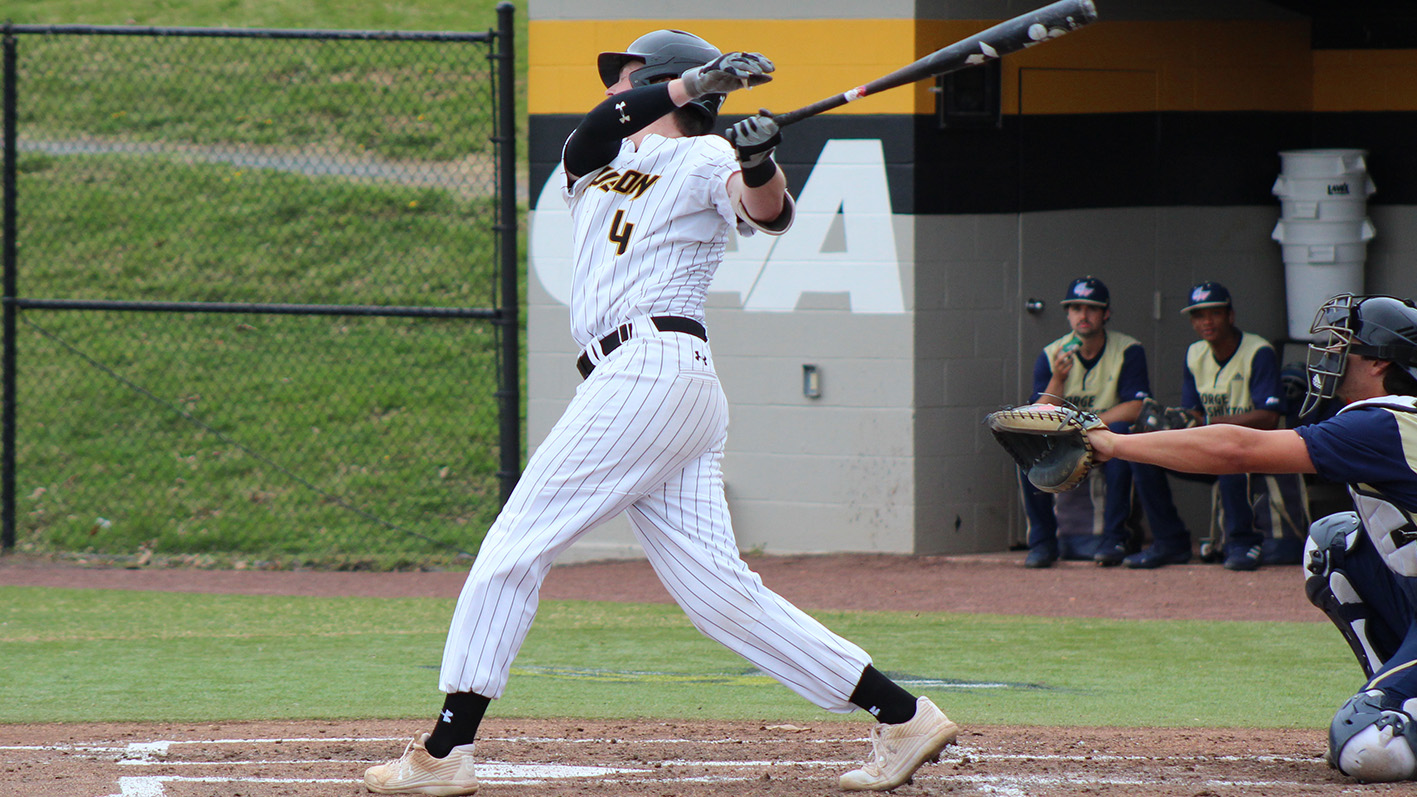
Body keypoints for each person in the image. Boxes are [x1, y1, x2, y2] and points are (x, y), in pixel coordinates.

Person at [362, 30, 958, 796]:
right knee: (719, 595)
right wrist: (692, 86)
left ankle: (444, 752)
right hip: (643, 383)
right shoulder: (597, 162)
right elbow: (594, 128)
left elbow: (769, 215)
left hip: (653, 366)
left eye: (633, 78)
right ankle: (903, 716)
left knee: (514, 546)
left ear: (673, 84)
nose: (618, 90)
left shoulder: (706, 159)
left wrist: (757, 158)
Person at [1091, 293, 1417, 782]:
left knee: (1368, 750)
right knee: (1333, 545)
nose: (1327, 354)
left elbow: (1237, 448)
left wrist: (1112, 443)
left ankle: (1397, 709)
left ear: (1379, 360)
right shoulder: (1386, 417)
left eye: (1343, 345)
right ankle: (1393, 691)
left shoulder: (1383, 421)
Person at [1020, 276, 1188, 567]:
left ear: (1106, 313)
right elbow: (1039, 413)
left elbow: (1136, 407)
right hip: (1066, 440)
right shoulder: (1052, 353)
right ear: (1068, 313)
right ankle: (1043, 542)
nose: (1083, 316)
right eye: (1076, 308)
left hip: (1105, 435)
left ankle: (1114, 537)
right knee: (1026, 443)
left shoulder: (1128, 349)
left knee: (1123, 436)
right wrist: (1058, 378)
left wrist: (1088, 424)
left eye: (1091, 309)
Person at [1166, 282, 1308, 571]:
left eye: (1214, 313)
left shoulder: (1258, 351)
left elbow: (1269, 417)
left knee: (1228, 454)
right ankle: (1168, 541)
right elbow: (1192, 412)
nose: (1206, 322)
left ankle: (1243, 543)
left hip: (1263, 448)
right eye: (1198, 315)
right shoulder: (1194, 353)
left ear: (1230, 316)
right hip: (1215, 446)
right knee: (1146, 456)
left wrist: (1206, 423)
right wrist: (1173, 425)